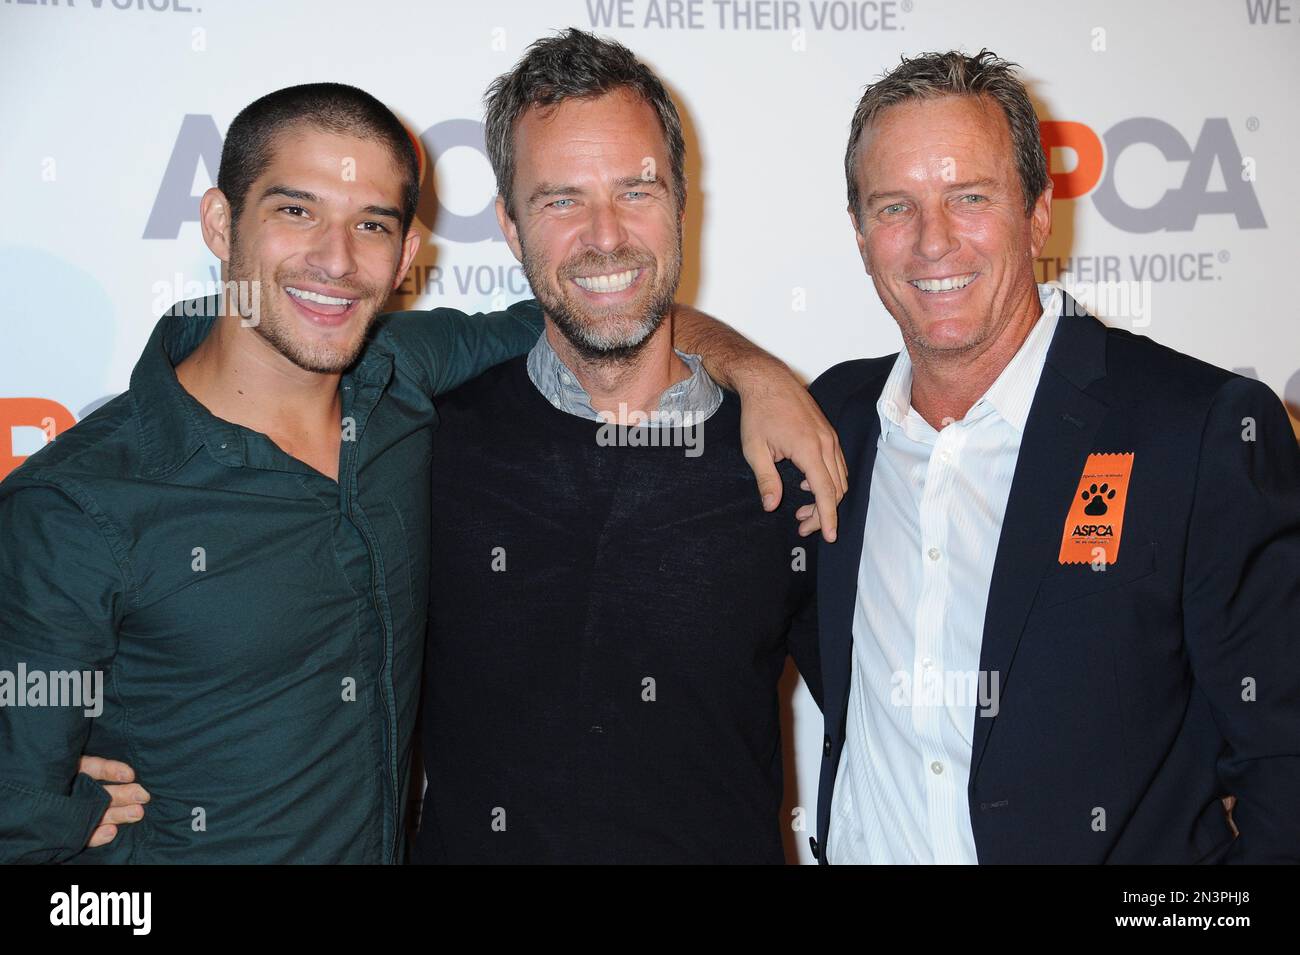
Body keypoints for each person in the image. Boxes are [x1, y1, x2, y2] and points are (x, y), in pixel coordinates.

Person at [0, 82, 844, 863]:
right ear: (221, 223)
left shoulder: (402, 378)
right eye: (296, 210)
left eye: (370, 223)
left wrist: (755, 370)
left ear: (407, 251)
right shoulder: (77, 504)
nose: (334, 260)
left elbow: (601, 297)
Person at [807, 49, 1300, 864]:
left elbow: (1285, 760)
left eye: (970, 197)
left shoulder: (1200, 429)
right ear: (860, 236)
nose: (934, 242)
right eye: (896, 206)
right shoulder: (830, 425)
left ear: (1038, 212)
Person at [414, 29, 823, 863]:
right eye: (561, 199)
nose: (605, 236)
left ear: (681, 202)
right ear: (509, 224)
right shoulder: (424, 445)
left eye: (637, 190)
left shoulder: (788, 456)